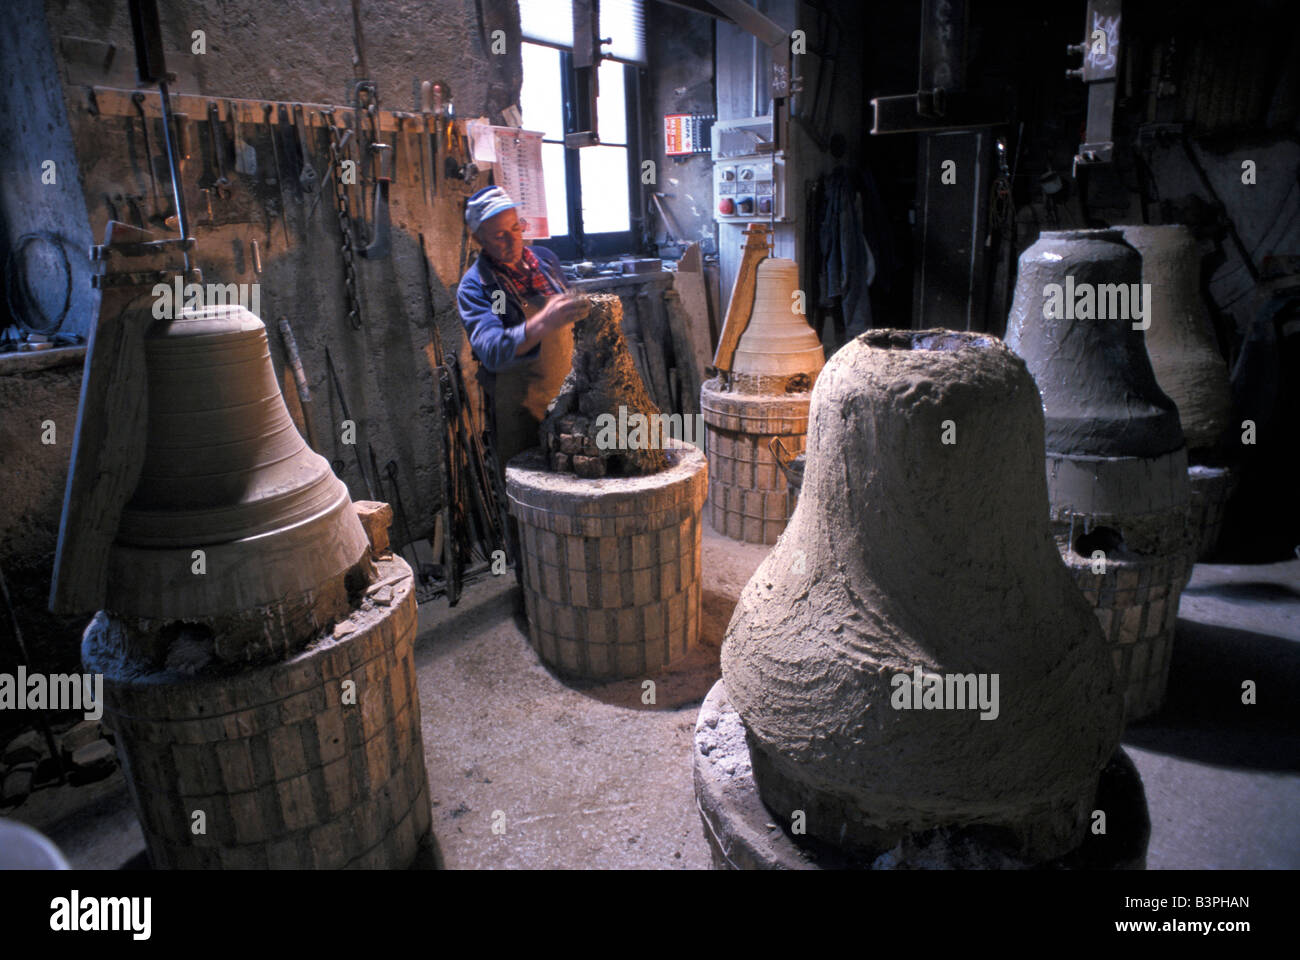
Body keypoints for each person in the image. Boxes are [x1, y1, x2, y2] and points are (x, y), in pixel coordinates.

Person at [456, 186, 588, 474]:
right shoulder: (478, 285)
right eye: (499, 235)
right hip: (521, 409)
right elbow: (492, 351)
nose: (513, 240)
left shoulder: (545, 260)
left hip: (568, 399)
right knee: (534, 496)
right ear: (478, 239)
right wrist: (543, 323)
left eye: (516, 228)